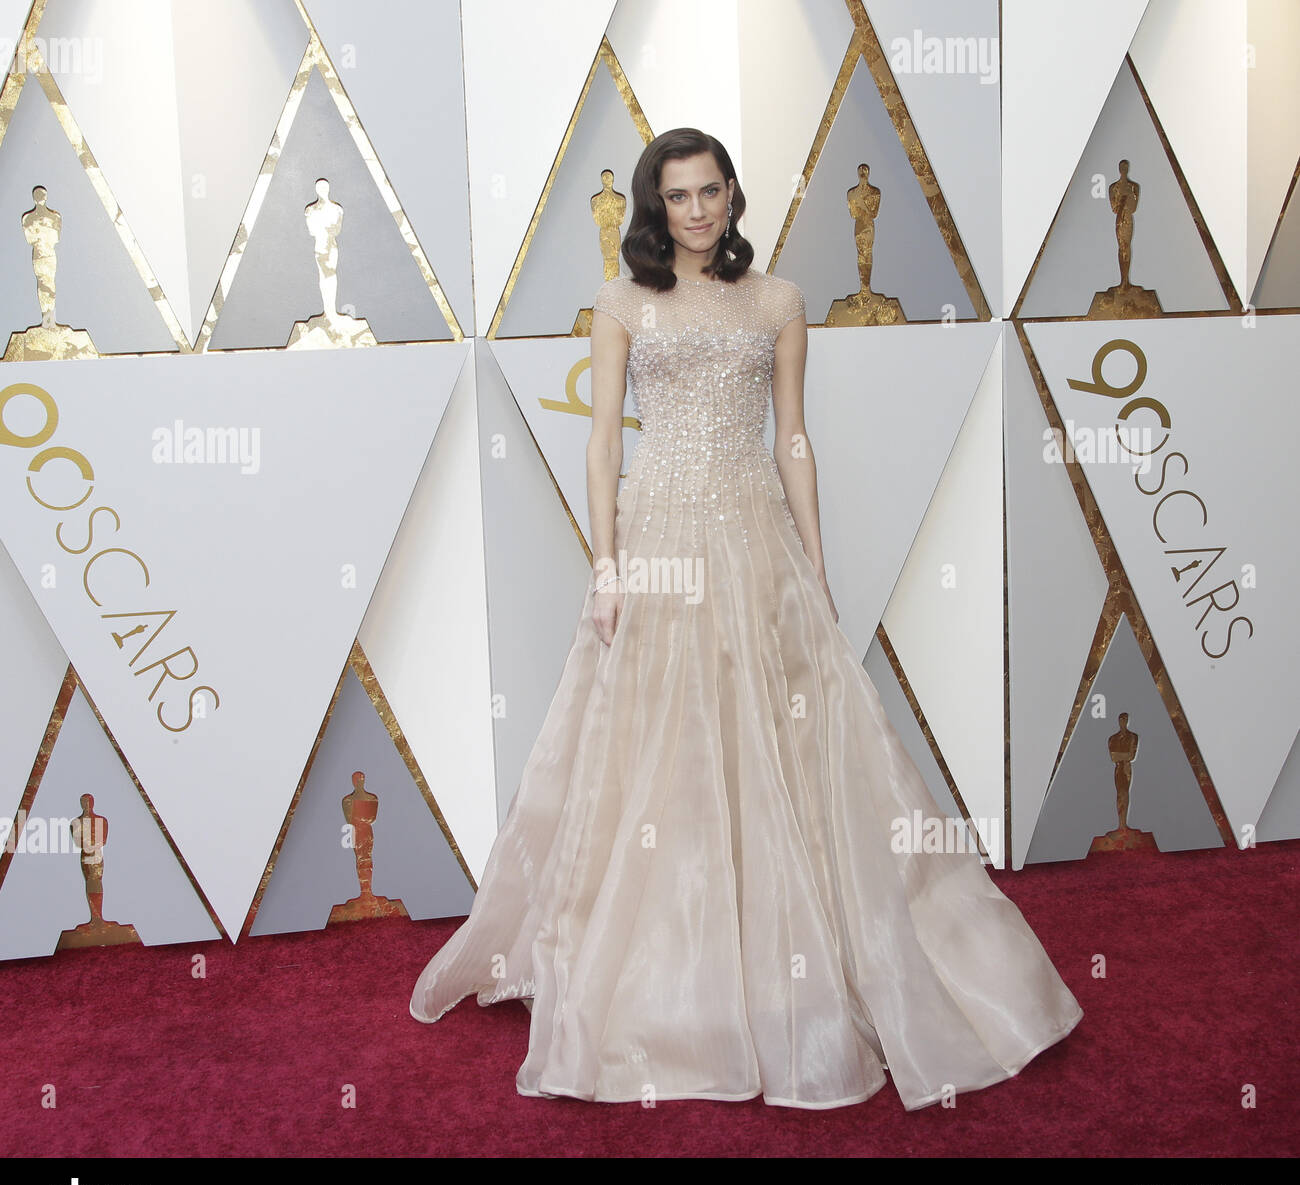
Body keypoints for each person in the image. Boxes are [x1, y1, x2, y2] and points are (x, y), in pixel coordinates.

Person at [409, 127, 1082, 1111]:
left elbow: (794, 438)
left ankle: (794, 963)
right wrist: (605, 563)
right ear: (654, 207)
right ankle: (668, 974)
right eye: (676, 197)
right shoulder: (622, 301)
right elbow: (601, 446)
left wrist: (813, 559)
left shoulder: (778, 301)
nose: (695, 210)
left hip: (754, 530)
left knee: (784, 738)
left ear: (732, 196)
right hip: (659, 533)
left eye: (710, 192)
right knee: (652, 747)